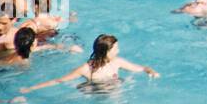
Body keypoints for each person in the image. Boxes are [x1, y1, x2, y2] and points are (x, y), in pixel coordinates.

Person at [22, 34, 160, 92]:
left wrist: (151, 71)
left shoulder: (117, 62)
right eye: (116, 48)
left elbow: (140, 68)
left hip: (115, 92)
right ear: (106, 51)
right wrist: (31, 88)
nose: (118, 51)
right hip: (96, 95)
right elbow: (59, 81)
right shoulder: (86, 69)